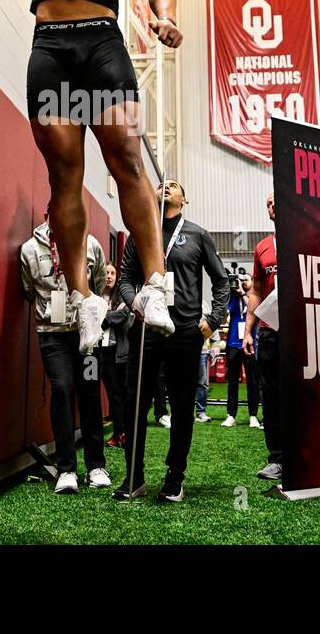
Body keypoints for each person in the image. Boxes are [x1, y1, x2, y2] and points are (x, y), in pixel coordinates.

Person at [27, 0, 181, 357]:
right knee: (63, 173)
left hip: (99, 45)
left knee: (123, 159)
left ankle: (155, 285)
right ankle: (84, 296)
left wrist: (164, 14)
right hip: (51, 49)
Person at [116, 180, 228, 501]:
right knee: (136, 402)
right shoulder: (141, 230)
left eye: (175, 185)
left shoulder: (197, 234)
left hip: (185, 333)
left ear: (184, 199)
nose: (166, 186)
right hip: (146, 330)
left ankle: (175, 476)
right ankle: (133, 477)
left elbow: (221, 281)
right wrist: (135, 302)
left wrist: (211, 321)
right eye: (163, 184)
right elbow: (125, 279)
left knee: (181, 406)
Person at [19, 207, 110, 493]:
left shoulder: (91, 244)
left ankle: (96, 466)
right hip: (52, 335)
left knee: (90, 392)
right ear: (48, 215)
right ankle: (67, 469)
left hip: (87, 336)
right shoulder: (30, 249)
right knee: (61, 389)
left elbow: (96, 285)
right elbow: (28, 289)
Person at [244, 193, 282, 481]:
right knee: (271, 395)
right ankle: (277, 459)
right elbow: (256, 290)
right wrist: (248, 329)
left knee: (305, 393)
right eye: (267, 203)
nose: (271, 206)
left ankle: (308, 454)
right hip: (270, 331)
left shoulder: (307, 239)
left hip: (304, 332)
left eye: (275, 201)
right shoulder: (262, 247)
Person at [99, 263, 131, 449]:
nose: (109, 276)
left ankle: (122, 433)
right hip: (97, 353)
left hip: (118, 353)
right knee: (107, 393)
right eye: (106, 273)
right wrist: (112, 315)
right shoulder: (95, 295)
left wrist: (104, 318)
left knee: (120, 394)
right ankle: (118, 432)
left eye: (112, 273)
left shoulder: (122, 295)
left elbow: (125, 314)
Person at [222, 275, 261, 427]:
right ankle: (231, 415)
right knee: (232, 381)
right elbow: (224, 316)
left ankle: (253, 416)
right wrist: (228, 294)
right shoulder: (233, 298)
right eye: (240, 279)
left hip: (250, 344)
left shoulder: (254, 297)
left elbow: (256, 313)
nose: (243, 282)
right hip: (233, 343)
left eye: (246, 279)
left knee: (252, 381)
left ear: (252, 282)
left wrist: (243, 293)